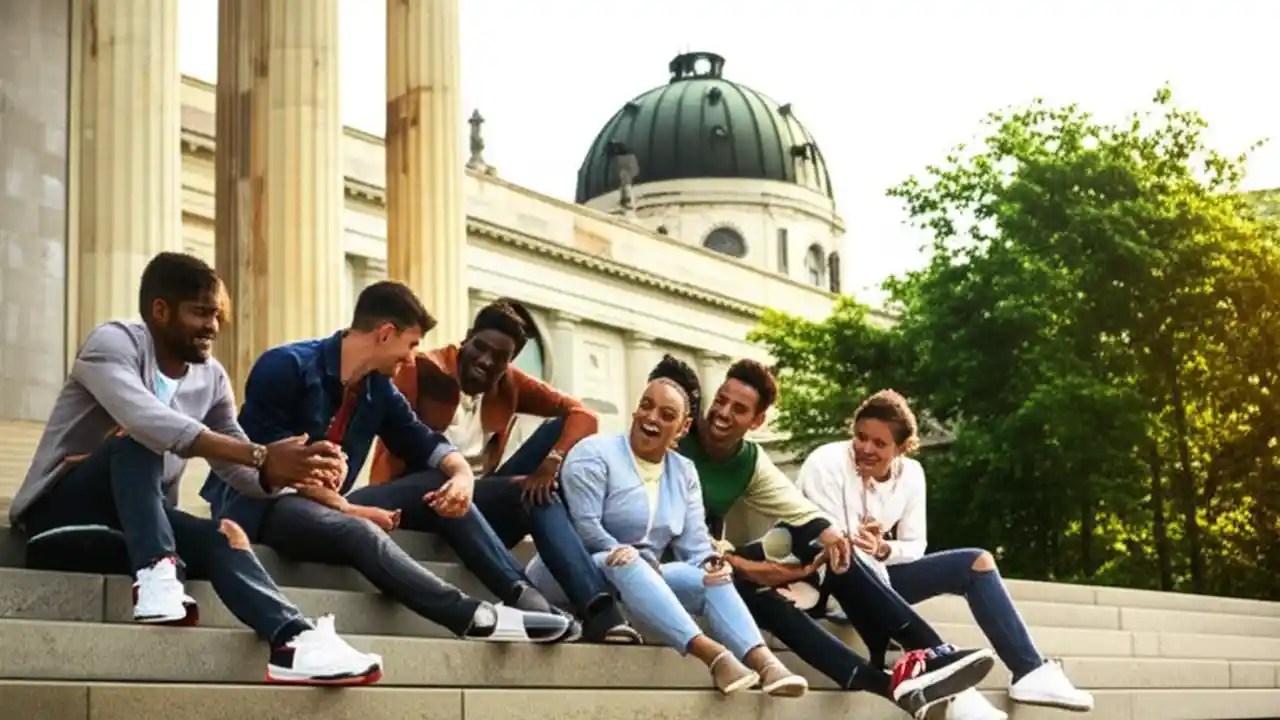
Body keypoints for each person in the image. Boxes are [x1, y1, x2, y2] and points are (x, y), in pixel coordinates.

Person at [9, 252, 383, 685]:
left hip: (133, 528)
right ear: (160, 310)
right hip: (57, 521)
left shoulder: (212, 379)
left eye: (217, 315)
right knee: (136, 441)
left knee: (222, 538)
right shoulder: (112, 345)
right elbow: (149, 421)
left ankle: (293, 642)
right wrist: (261, 455)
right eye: (200, 313)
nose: (213, 326)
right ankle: (156, 569)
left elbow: (237, 466)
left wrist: (287, 472)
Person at [200, 281, 570, 644]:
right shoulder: (285, 366)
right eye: (410, 345)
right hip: (260, 504)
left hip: (329, 506)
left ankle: (521, 594)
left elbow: (423, 441)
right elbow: (269, 466)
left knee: (437, 480)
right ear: (385, 334)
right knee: (358, 531)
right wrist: (350, 510)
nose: (411, 358)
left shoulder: (377, 387)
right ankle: (474, 617)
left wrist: (462, 477)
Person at [650, 356, 998, 720]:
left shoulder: (748, 459)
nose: (722, 412)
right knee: (761, 593)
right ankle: (899, 680)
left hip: (712, 562)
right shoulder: (672, 443)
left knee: (817, 538)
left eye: (738, 408)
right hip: (676, 566)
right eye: (721, 400)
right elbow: (683, 534)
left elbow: (798, 508)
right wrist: (757, 567)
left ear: (757, 421)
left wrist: (831, 537)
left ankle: (929, 657)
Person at [797, 389, 1095, 714]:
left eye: (880, 444)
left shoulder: (911, 475)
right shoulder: (826, 463)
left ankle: (1029, 670)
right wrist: (863, 549)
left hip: (879, 576)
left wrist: (883, 548)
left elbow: (915, 545)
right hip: (829, 581)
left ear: (901, 448)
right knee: (852, 561)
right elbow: (830, 546)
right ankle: (958, 693)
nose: (866, 449)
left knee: (977, 562)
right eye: (861, 437)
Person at [366, 299, 638, 644]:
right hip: (411, 497)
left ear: (508, 364)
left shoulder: (508, 384)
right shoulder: (420, 369)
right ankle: (529, 599)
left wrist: (551, 463)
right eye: (480, 347)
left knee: (537, 489)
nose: (485, 360)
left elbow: (583, 415)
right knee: (449, 478)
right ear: (466, 339)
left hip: (472, 501)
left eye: (499, 358)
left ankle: (602, 613)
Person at [535, 373, 810, 697]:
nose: (651, 418)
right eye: (646, 406)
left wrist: (712, 563)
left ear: (682, 427)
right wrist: (631, 554)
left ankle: (767, 665)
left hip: (642, 577)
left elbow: (695, 546)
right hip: (570, 570)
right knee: (628, 560)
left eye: (666, 415)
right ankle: (714, 656)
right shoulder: (594, 452)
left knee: (712, 579)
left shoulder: (683, 471)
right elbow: (585, 529)